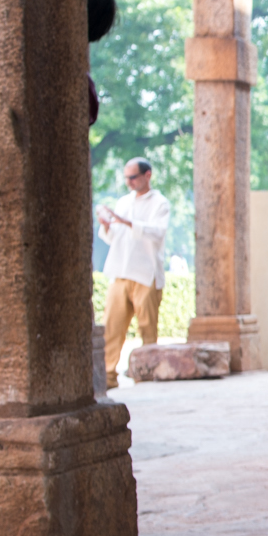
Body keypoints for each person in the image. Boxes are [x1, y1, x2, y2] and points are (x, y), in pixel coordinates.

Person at [97, 158, 171, 388]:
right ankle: (108, 375)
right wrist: (108, 224)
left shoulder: (160, 203)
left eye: (133, 177)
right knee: (112, 326)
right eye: (126, 178)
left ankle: (148, 374)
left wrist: (128, 222)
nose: (129, 182)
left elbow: (157, 234)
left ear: (147, 175)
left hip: (146, 273)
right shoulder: (123, 202)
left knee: (147, 328)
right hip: (120, 270)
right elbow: (112, 237)